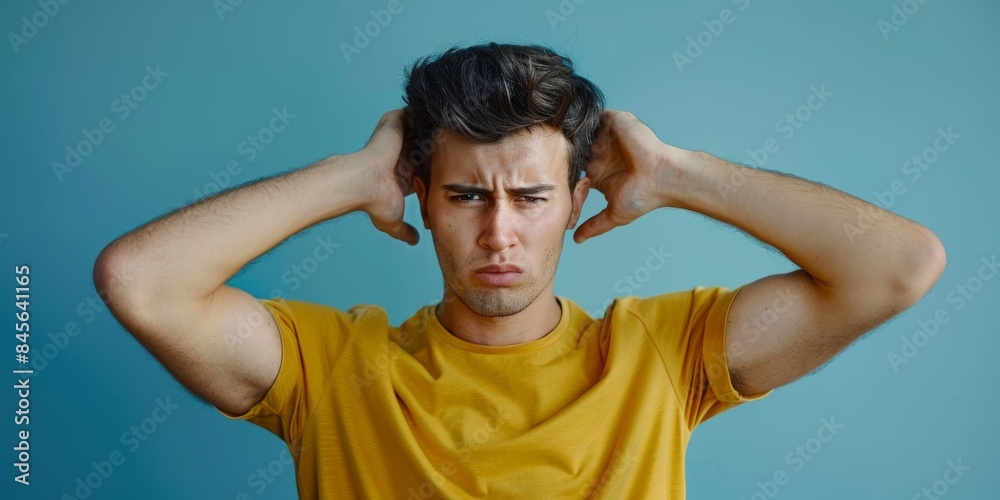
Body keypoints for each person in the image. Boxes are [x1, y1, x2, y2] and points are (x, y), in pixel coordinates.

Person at [93, 42, 946, 499]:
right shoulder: (331, 368)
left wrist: (678, 174)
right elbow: (140, 281)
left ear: (578, 200)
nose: (499, 232)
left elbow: (900, 265)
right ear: (420, 197)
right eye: (466, 195)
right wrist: (353, 177)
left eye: (531, 197)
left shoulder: (663, 353)